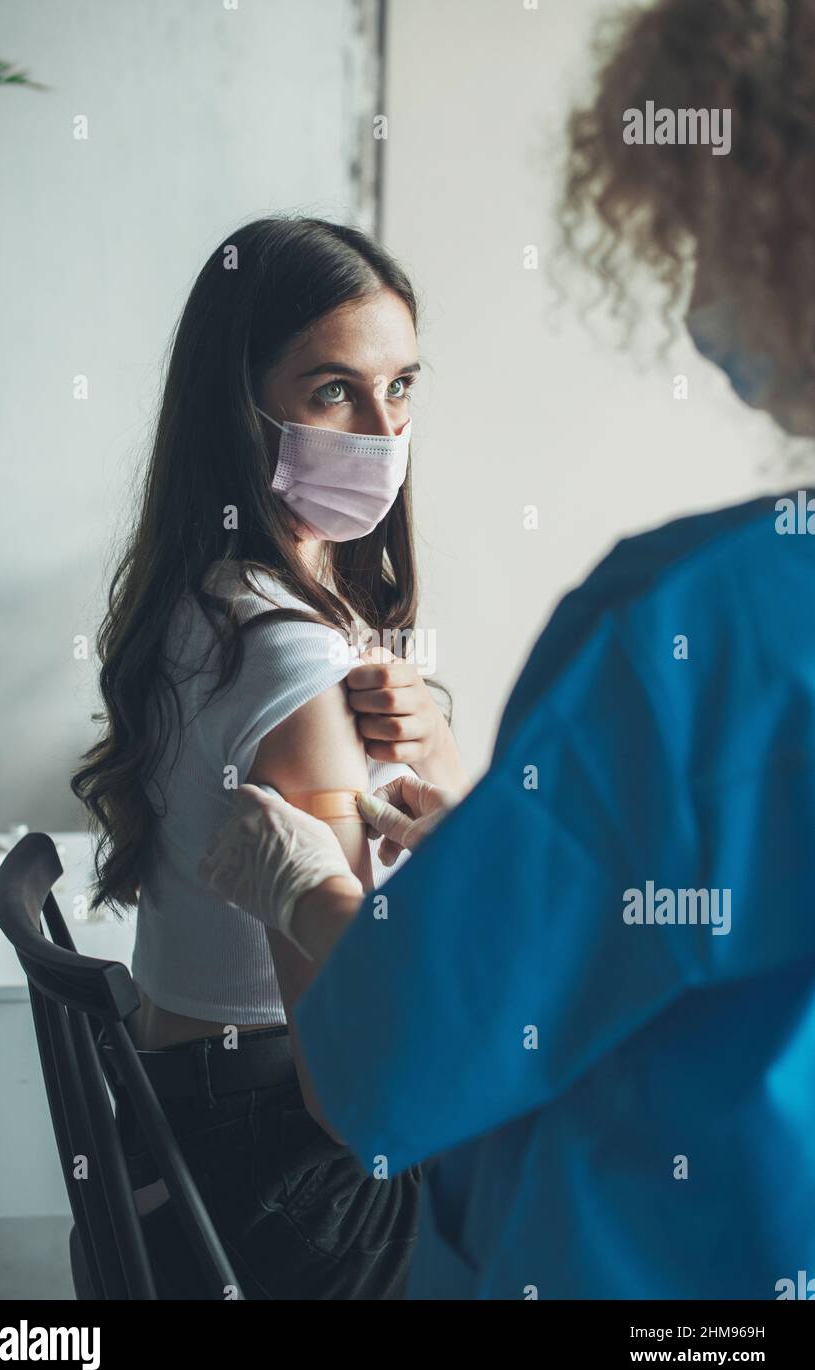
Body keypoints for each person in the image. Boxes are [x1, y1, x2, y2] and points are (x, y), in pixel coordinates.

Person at [199, 0, 815, 1299]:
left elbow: (389, 1074)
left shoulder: (689, 627)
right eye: (333, 390)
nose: (693, 285)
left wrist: (311, 885)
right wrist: (508, 856)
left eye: (697, 228)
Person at [71, 215, 467, 1299]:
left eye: (401, 386)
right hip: (292, 1183)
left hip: (192, 1136)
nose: (382, 429)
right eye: (332, 388)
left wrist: (441, 774)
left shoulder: (211, 601)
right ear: (237, 408)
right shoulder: (291, 654)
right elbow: (358, 1097)